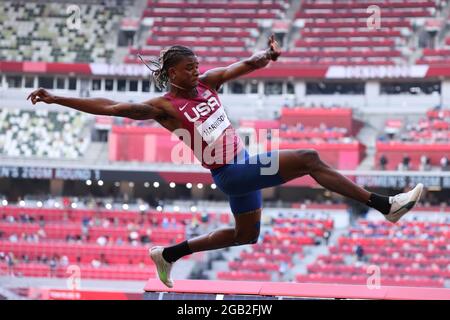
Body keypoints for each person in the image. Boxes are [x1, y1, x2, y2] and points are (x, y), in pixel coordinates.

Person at [27, 35, 424, 288]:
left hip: (243, 165)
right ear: (170, 73)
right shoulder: (163, 106)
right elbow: (109, 106)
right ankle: (384, 205)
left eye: (198, 65)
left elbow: (244, 65)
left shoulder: (207, 83)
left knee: (246, 236)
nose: (197, 70)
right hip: (230, 173)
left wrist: (265, 56)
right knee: (309, 158)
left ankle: (169, 255)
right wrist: (57, 97)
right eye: (189, 67)